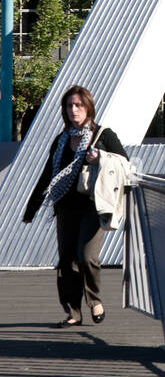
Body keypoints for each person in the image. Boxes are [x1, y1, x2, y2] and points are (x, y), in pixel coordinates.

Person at [22, 85, 128, 327]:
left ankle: (95, 300)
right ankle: (73, 311)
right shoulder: (61, 140)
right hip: (66, 206)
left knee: (87, 256)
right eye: (69, 106)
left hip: (94, 206)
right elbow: (48, 174)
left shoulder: (104, 135)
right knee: (67, 259)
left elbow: (125, 164)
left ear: (88, 108)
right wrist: (32, 209)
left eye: (78, 105)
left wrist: (100, 157)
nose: (73, 110)